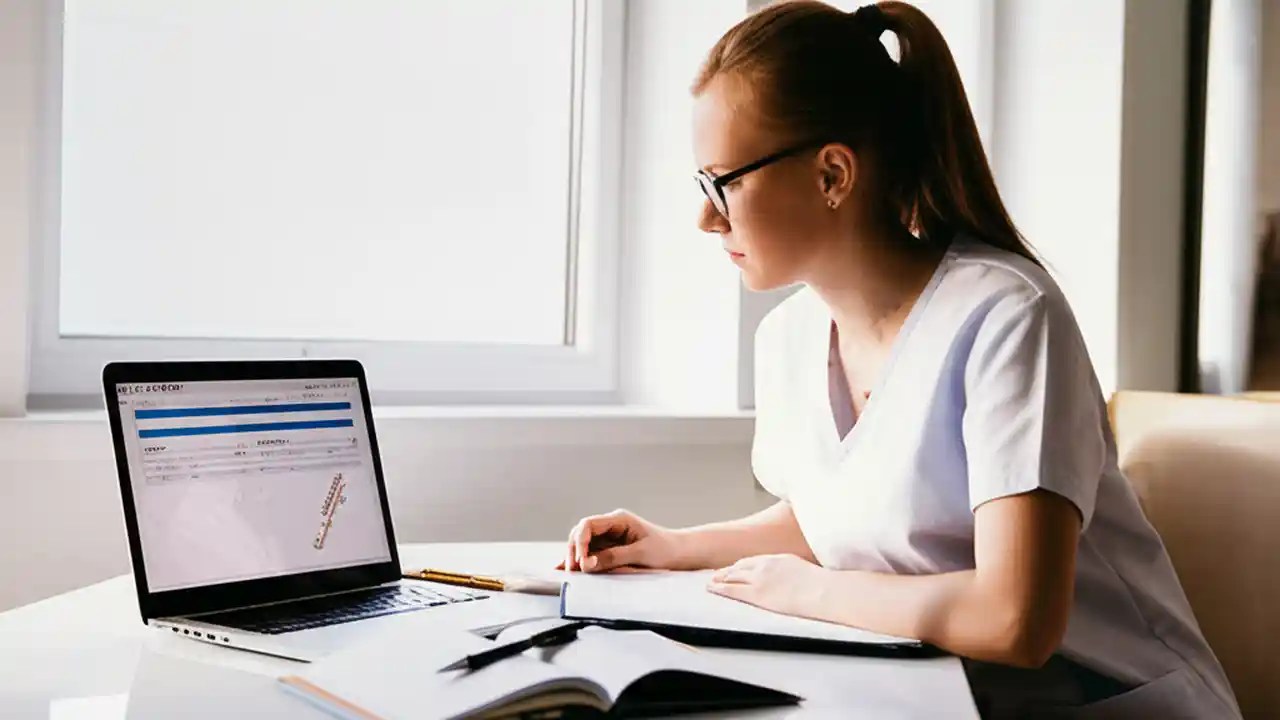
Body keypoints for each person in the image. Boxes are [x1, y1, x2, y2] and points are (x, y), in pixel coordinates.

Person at [558, 2, 1241, 717]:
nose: (706, 216)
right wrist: (675, 546)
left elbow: (1018, 620)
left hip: (1107, 697)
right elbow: (850, 521)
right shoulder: (788, 338)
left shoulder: (1007, 315)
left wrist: (809, 591)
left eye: (722, 182)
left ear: (832, 175)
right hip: (944, 686)